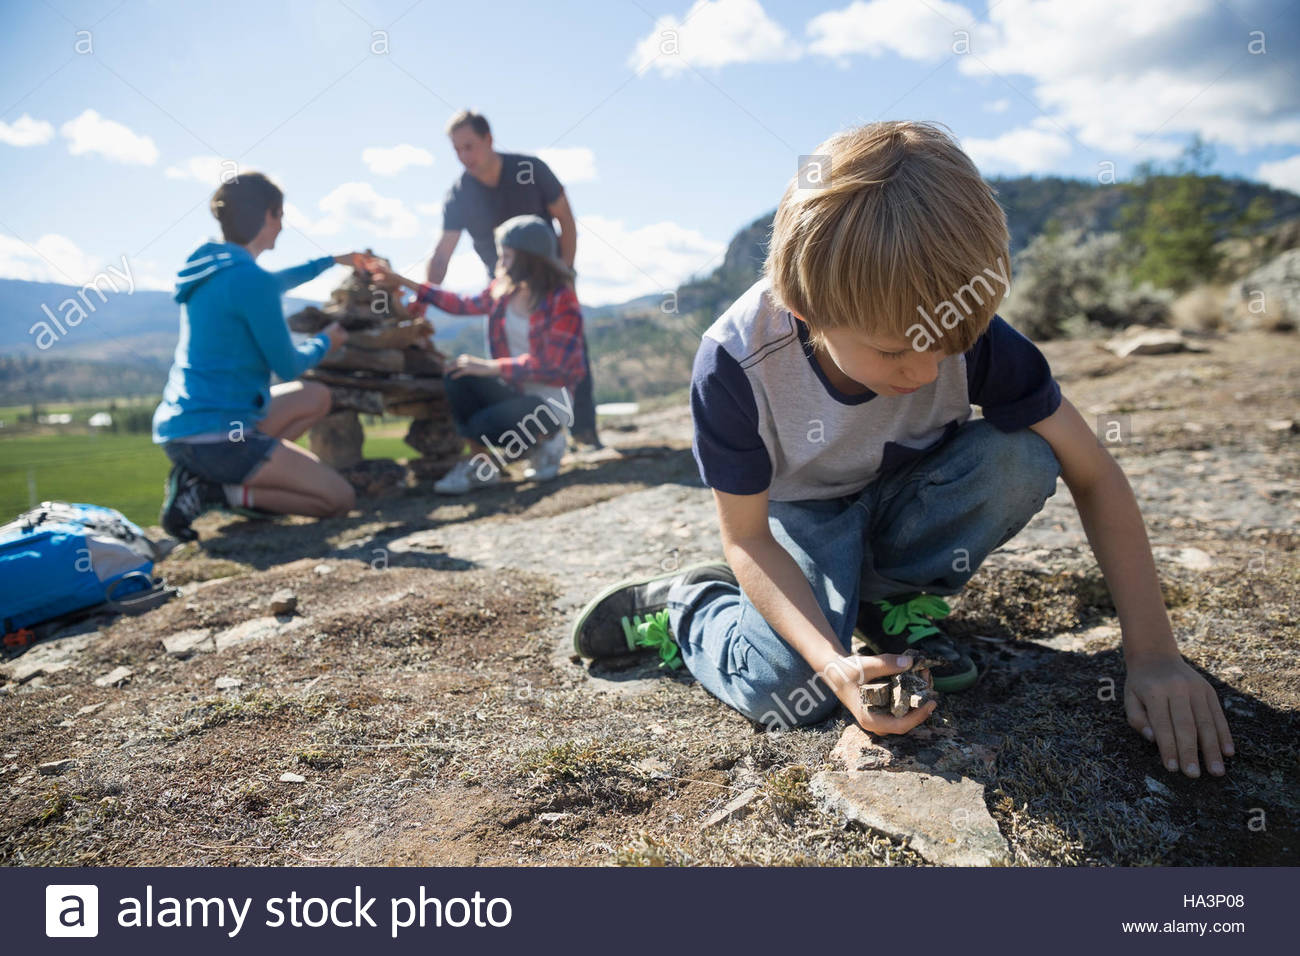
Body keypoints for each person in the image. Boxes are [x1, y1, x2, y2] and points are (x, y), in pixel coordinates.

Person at [571, 121, 1234, 782]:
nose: (922, 370)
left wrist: (1154, 657)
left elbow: (1095, 473)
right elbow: (748, 540)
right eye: (892, 350)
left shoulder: (968, 334)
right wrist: (834, 669)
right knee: (784, 691)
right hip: (801, 525)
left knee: (1023, 457)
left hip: (901, 506)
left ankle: (885, 603)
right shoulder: (734, 364)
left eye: (946, 344)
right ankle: (690, 608)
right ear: (804, 307)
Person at [153, 172, 367, 541]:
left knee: (315, 397)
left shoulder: (213, 267)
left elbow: (274, 281)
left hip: (186, 429)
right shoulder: (252, 281)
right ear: (268, 216)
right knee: (339, 499)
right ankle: (216, 492)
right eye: (280, 216)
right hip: (217, 438)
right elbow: (287, 366)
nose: (282, 226)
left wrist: (332, 260)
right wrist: (326, 342)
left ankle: (209, 477)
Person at [370, 214, 586, 494]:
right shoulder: (502, 292)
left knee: (483, 424)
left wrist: (491, 367)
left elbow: (554, 366)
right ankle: (483, 465)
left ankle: (549, 441)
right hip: (515, 389)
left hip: (551, 401)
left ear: (528, 258)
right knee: (458, 374)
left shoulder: (561, 299)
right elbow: (459, 304)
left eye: (507, 256)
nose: (501, 263)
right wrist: (403, 281)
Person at [424, 109, 601, 448]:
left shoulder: (530, 170)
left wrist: (565, 272)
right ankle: (531, 440)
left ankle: (585, 434)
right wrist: (422, 301)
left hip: (548, 279)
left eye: (469, 146)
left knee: (567, 353)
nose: (464, 156)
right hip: (503, 287)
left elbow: (566, 219)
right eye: (457, 150)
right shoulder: (459, 195)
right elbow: (443, 253)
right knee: (505, 360)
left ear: (489, 140)